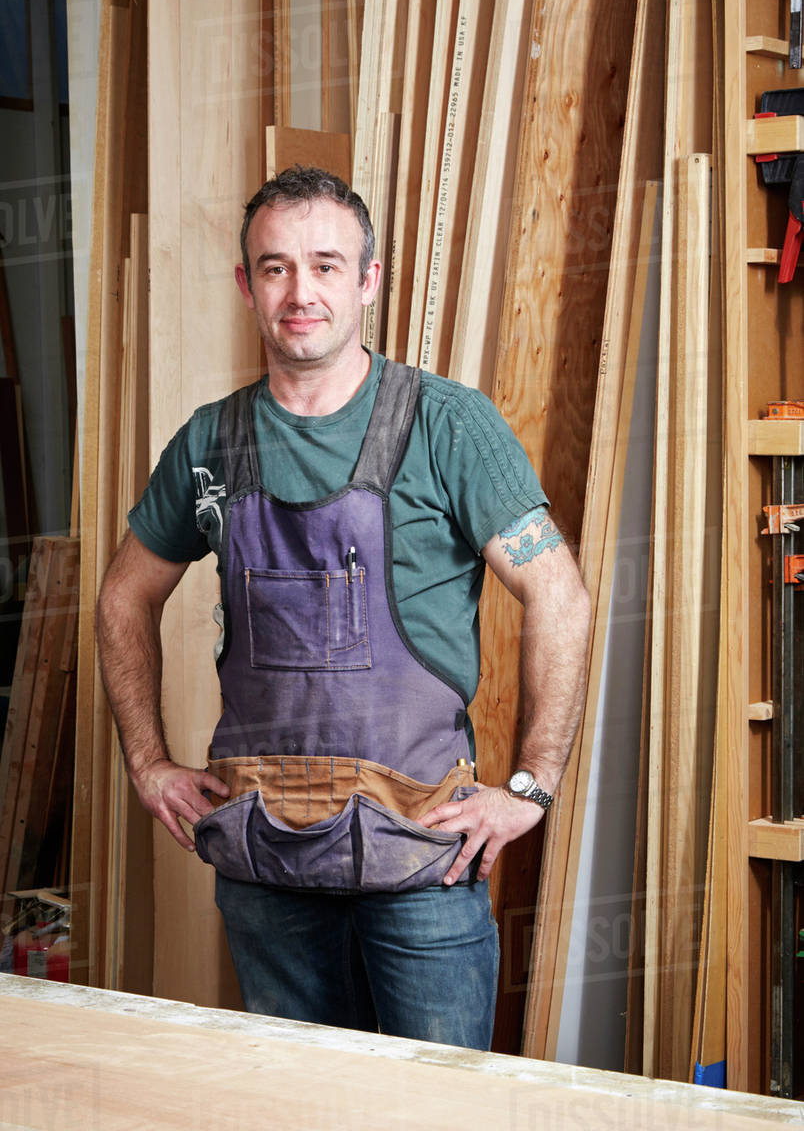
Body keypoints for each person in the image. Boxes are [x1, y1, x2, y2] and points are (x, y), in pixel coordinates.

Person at [96, 166, 590, 1051]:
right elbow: (124, 596)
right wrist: (148, 763)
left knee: (432, 1111)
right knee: (299, 1108)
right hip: (265, 864)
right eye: (276, 267)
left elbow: (559, 595)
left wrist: (530, 787)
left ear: (368, 281)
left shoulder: (446, 425)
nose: (301, 292)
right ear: (247, 285)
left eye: (327, 265)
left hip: (421, 863)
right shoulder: (211, 442)